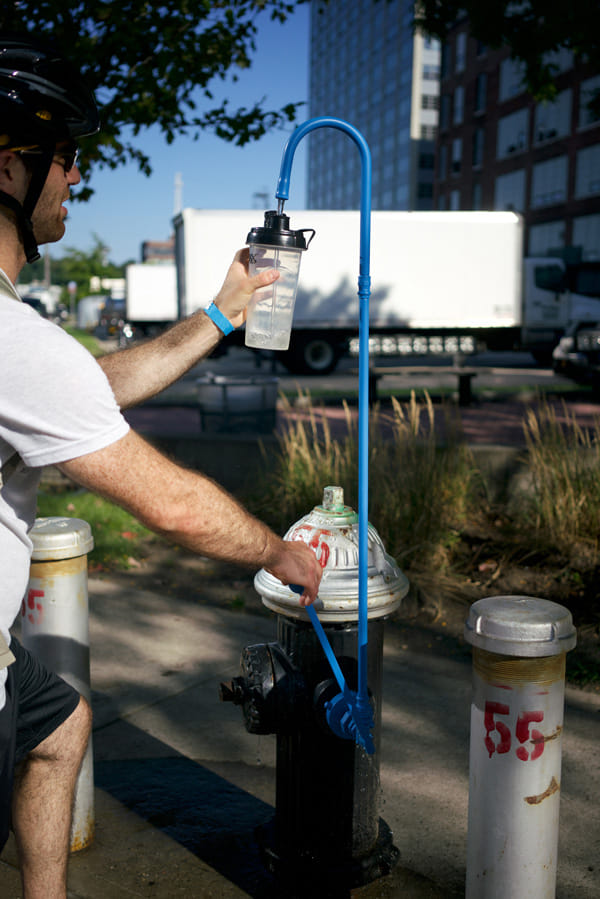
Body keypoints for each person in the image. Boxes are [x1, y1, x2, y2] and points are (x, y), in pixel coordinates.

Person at [0, 35, 322, 898]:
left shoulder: (19, 344)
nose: (76, 177)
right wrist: (279, 553)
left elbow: (83, 390)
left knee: (61, 722)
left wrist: (221, 313)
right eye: (63, 157)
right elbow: (172, 504)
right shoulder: (13, 340)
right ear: (7, 167)